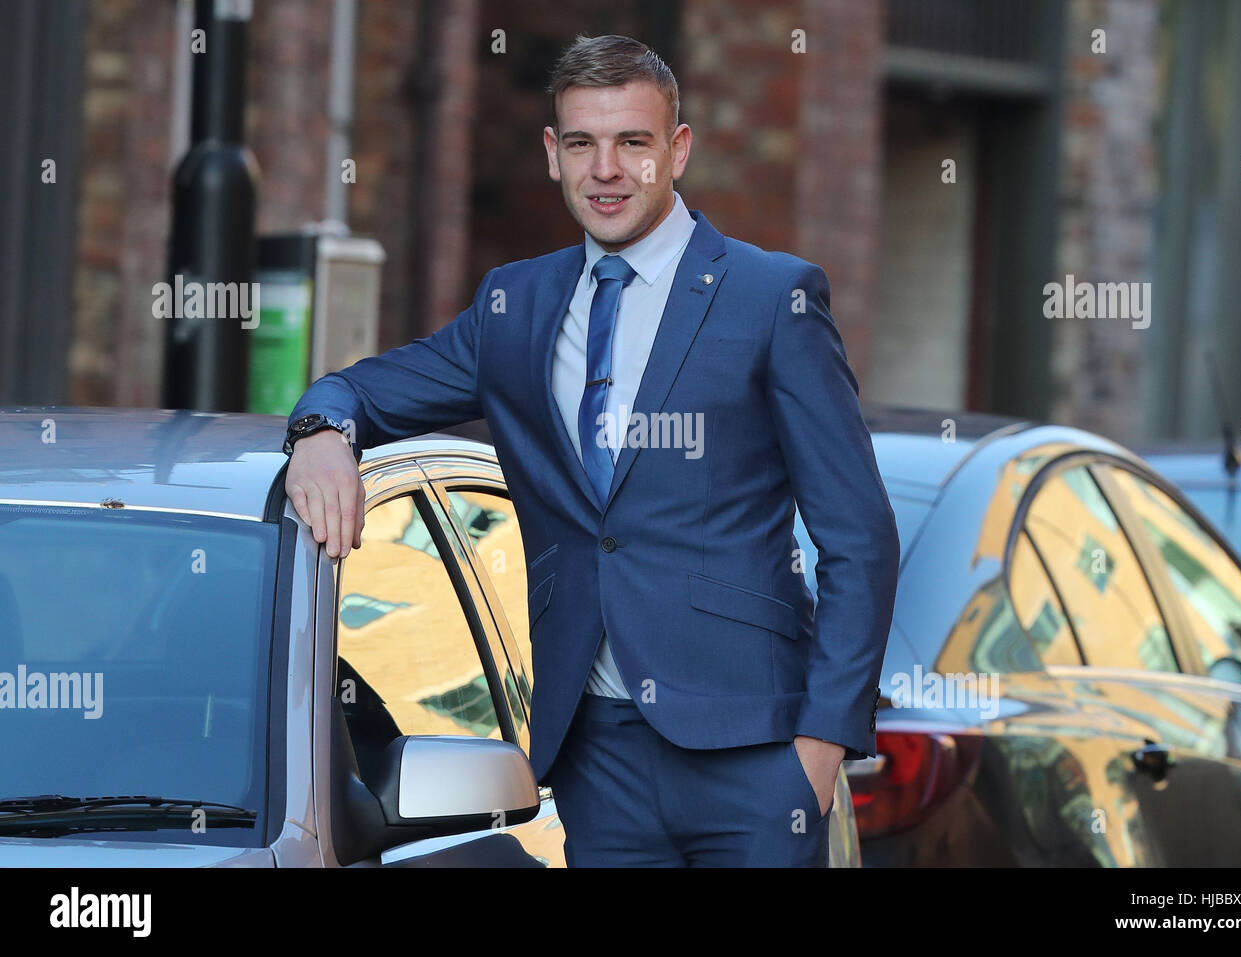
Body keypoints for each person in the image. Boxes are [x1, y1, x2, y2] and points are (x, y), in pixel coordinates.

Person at [283, 33, 899, 866]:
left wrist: (819, 750)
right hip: (597, 761)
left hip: (754, 758)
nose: (606, 169)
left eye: (632, 143)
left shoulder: (769, 299)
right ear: (552, 154)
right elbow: (364, 388)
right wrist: (321, 433)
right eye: (582, 143)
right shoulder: (515, 306)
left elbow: (859, 537)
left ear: (676, 151)